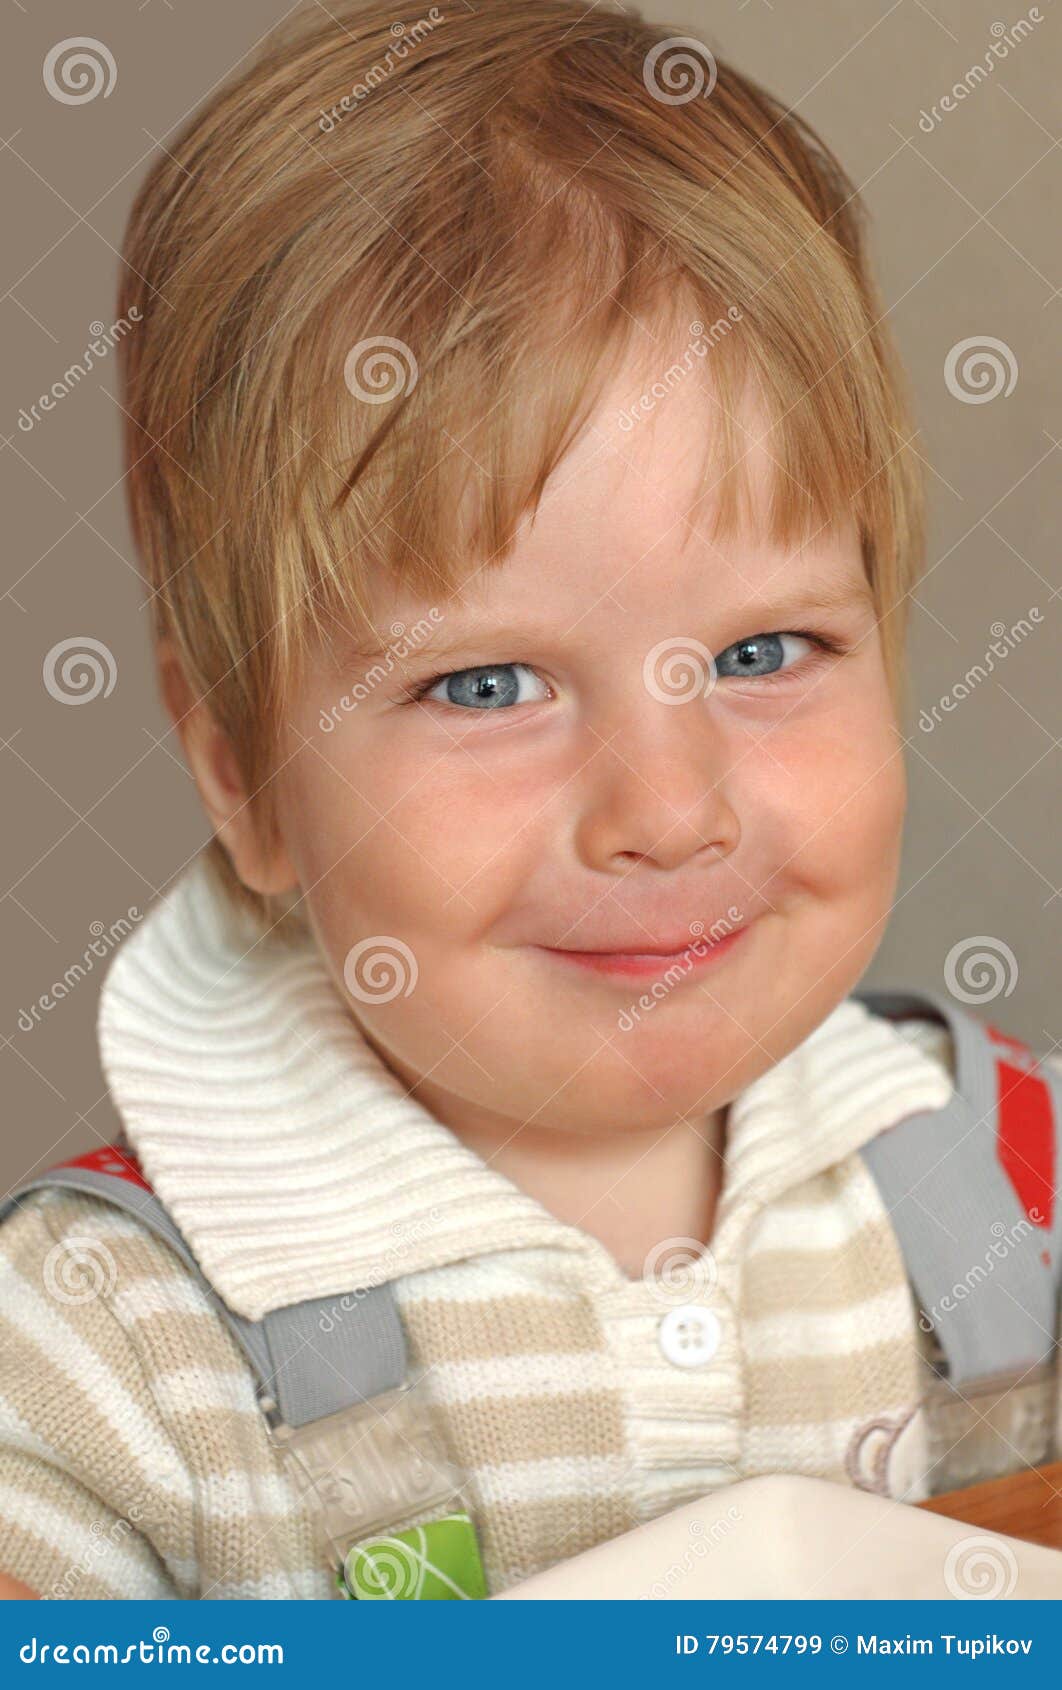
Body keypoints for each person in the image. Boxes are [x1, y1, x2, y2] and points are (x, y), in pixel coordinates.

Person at [1, 0, 1057, 1600]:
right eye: (486, 685)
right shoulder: (95, 1372)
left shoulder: (1014, 1191)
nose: (666, 807)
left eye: (765, 648)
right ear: (239, 769)